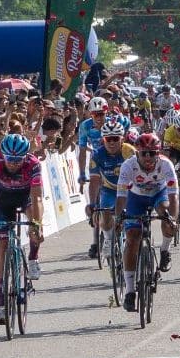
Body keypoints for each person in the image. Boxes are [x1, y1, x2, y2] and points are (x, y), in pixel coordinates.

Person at [0, 134, 44, 325]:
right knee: (3, 249)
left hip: (27, 198)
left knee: (35, 224)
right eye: (10, 159)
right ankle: (2, 304)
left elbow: (37, 198)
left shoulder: (33, 164)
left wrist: (37, 224)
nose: (14, 163)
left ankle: (33, 257)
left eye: (18, 160)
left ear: (25, 156)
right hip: (4, 201)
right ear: (3, 155)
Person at [115, 133, 178, 312]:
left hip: (159, 195)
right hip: (136, 197)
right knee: (132, 238)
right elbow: (121, 196)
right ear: (137, 153)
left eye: (152, 153)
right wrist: (119, 218)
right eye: (144, 153)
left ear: (158, 153)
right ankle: (129, 291)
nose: (148, 157)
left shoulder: (166, 165)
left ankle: (165, 249)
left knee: (165, 214)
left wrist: (172, 220)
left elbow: (173, 196)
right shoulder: (128, 166)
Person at [87, 116, 135, 261]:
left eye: (115, 138)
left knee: (131, 218)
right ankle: (108, 239)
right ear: (103, 140)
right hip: (109, 189)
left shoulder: (130, 152)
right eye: (109, 139)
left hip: (128, 189)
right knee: (105, 213)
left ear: (122, 139)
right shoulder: (97, 154)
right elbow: (94, 181)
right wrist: (92, 204)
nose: (112, 142)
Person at [79, 96, 108, 258]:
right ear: (91, 114)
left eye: (101, 114)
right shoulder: (85, 126)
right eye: (95, 114)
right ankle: (96, 242)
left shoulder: (113, 123)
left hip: (113, 160)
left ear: (106, 113)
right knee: (95, 204)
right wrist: (82, 173)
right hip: (96, 160)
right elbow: (82, 151)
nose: (98, 117)